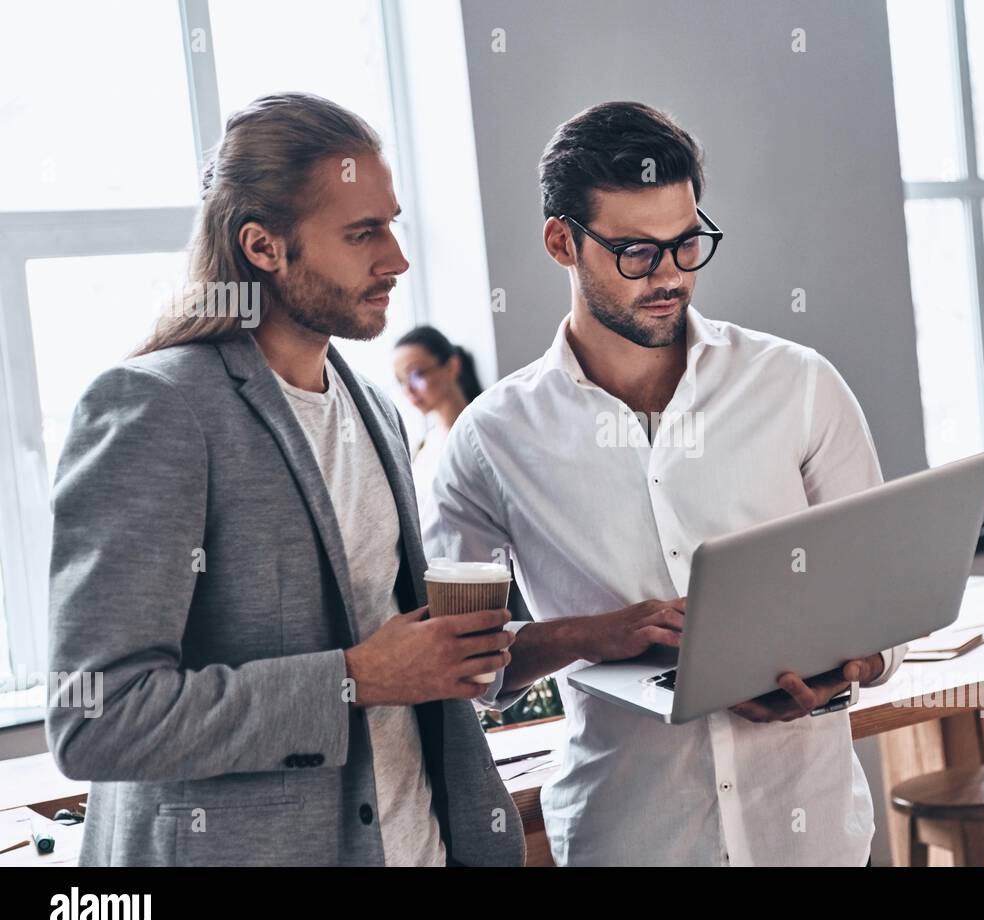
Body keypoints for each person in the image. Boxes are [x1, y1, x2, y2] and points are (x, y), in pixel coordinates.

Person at [45, 92, 523, 867]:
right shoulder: (155, 410)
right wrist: (354, 679)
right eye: (363, 232)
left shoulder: (373, 406)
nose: (396, 258)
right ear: (264, 246)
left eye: (393, 223)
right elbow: (97, 719)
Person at [424, 101, 906, 866]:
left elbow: (879, 605)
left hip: (809, 830)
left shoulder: (799, 385)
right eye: (637, 254)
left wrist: (846, 668)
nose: (671, 276)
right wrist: (591, 635)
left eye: (687, 245)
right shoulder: (491, 439)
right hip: (628, 834)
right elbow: (457, 664)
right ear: (561, 242)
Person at [393, 326, 483, 520]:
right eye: (401, 381)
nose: (408, 389)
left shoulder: (482, 434)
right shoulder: (422, 447)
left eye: (416, 375)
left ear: (451, 367)